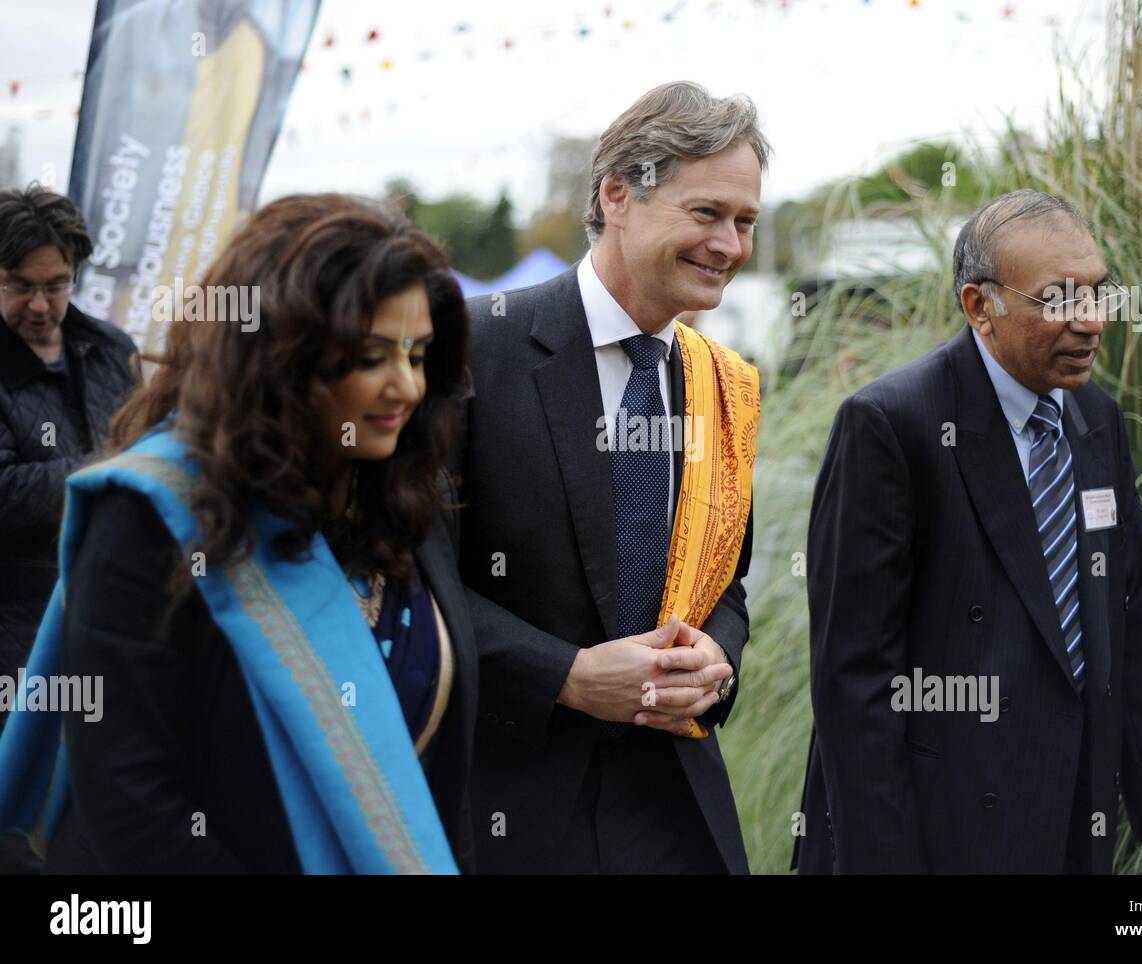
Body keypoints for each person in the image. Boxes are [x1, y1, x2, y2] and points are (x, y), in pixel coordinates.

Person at [0, 193, 476, 874]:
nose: (405, 386)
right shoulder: (150, 516)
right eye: (371, 355)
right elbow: (132, 804)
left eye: (419, 353)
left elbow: (436, 775)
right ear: (281, 355)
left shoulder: (402, 502)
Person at [795, 190, 1142, 874]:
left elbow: (1132, 629)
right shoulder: (893, 426)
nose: (1091, 321)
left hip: (1075, 819)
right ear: (981, 307)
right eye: (1059, 298)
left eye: (1099, 294)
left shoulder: (1097, 420)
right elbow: (854, 680)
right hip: (939, 829)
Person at [455, 81, 766, 873]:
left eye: (745, 221)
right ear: (617, 195)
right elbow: (407, 580)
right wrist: (567, 676)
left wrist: (717, 662)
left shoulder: (724, 382)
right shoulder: (473, 349)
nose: (730, 245)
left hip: (678, 814)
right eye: (707, 214)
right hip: (507, 813)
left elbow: (726, 581)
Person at [0, 185, 138, 707]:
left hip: (115, 620)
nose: (39, 305)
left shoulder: (112, 349)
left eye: (56, 286)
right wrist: (114, 467)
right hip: (18, 640)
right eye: (20, 286)